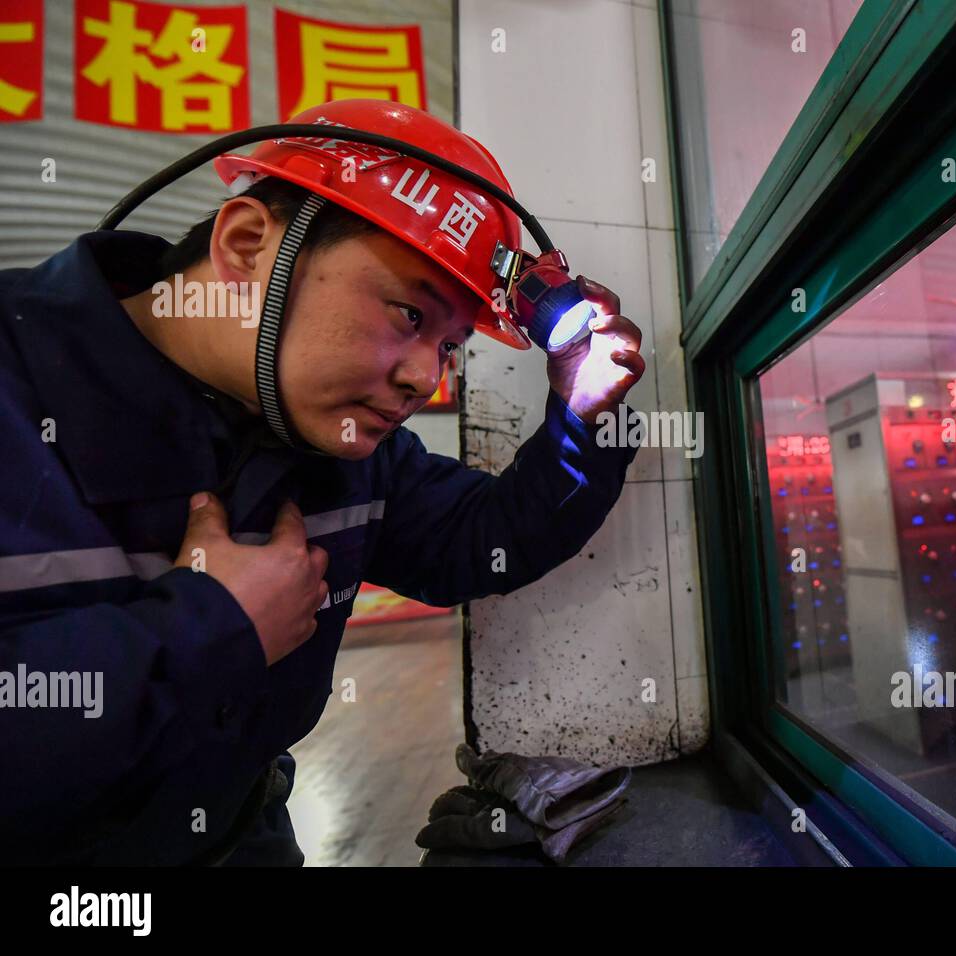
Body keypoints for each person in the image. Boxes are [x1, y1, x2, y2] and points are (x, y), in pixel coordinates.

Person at [0, 99, 645, 865]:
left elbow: (485, 540)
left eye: (448, 346)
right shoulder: (17, 389)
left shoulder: (340, 447)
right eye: (409, 314)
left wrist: (584, 419)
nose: (422, 379)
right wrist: (205, 635)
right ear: (245, 246)